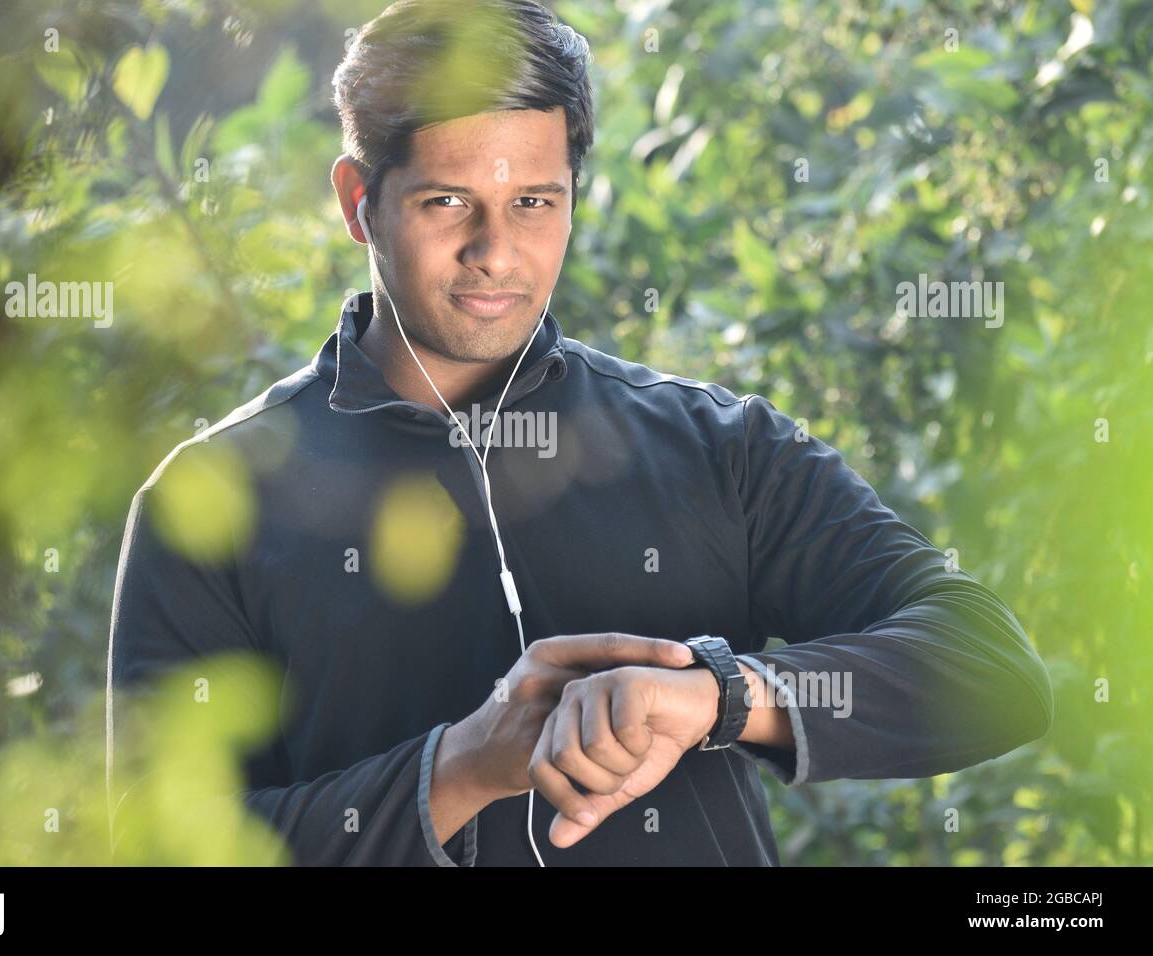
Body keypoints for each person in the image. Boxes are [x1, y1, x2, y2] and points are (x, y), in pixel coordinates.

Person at [106, 0, 1053, 866]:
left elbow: (992, 670)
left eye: (534, 203)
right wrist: (461, 768)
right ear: (359, 201)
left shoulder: (720, 447)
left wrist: (718, 696)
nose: (496, 252)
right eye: (448, 202)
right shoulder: (210, 499)